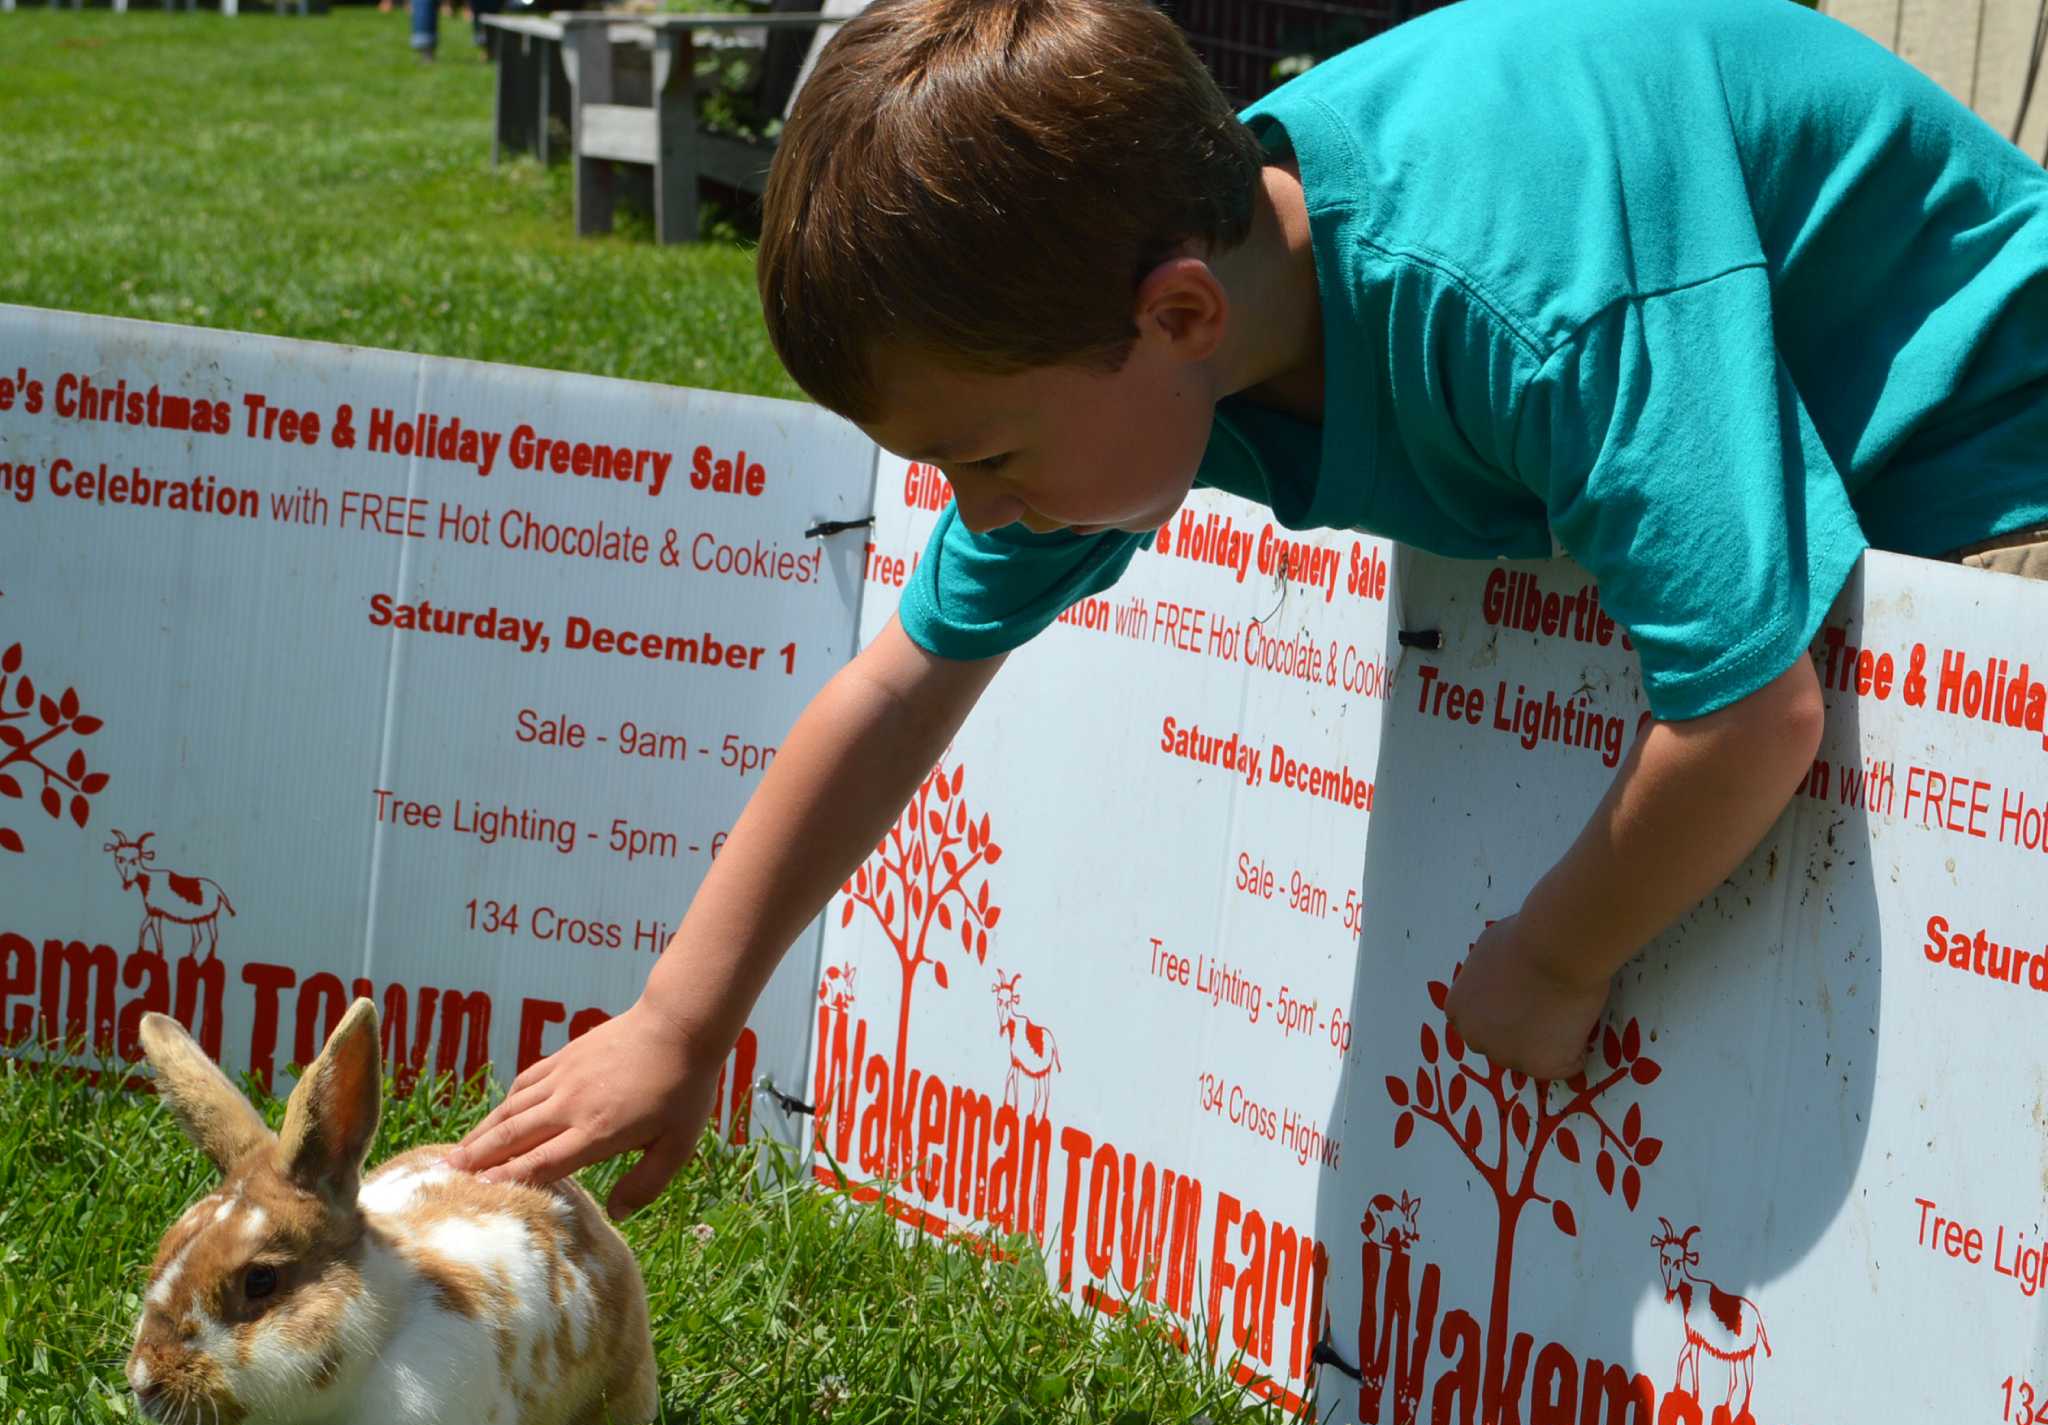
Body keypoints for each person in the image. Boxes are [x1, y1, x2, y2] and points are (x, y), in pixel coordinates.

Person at [448, 0, 2048, 1218]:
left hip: (1991, 464)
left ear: (1183, 314)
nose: (975, 510)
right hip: (1794, 454)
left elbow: (1749, 714)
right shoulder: (1157, 338)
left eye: (983, 459)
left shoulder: (1524, 299)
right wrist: (680, 1013)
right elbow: (901, 685)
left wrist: (1554, 964)